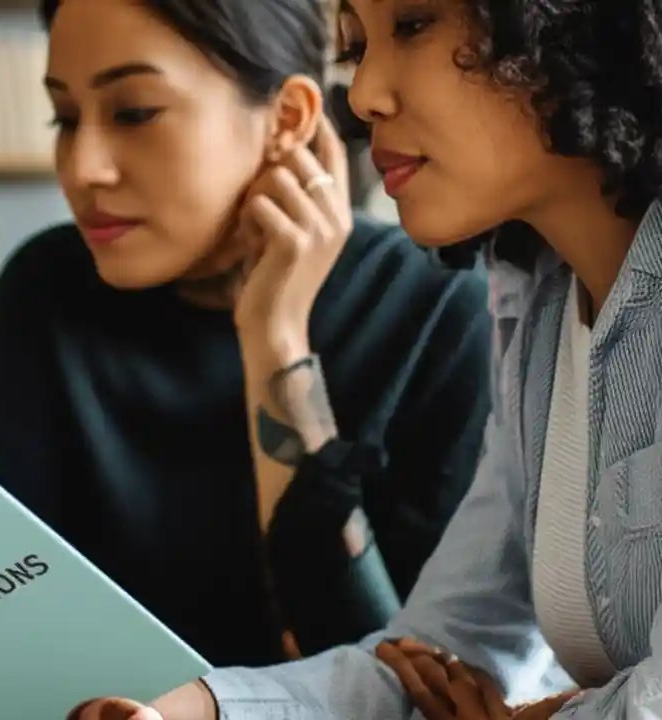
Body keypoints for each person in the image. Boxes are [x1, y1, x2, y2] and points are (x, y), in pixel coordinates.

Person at [68, 0, 662, 717]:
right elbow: (438, 655)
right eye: (354, 46)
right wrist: (187, 713)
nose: (364, 93)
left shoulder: (431, 308)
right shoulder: (531, 310)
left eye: (413, 26)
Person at [0, 0, 492, 672]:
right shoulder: (42, 294)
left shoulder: (437, 310)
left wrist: (275, 338)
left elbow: (397, 685)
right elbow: (9, 637)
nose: (82, 168)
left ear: (287, 120)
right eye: (64, 119)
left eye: (134, 112)